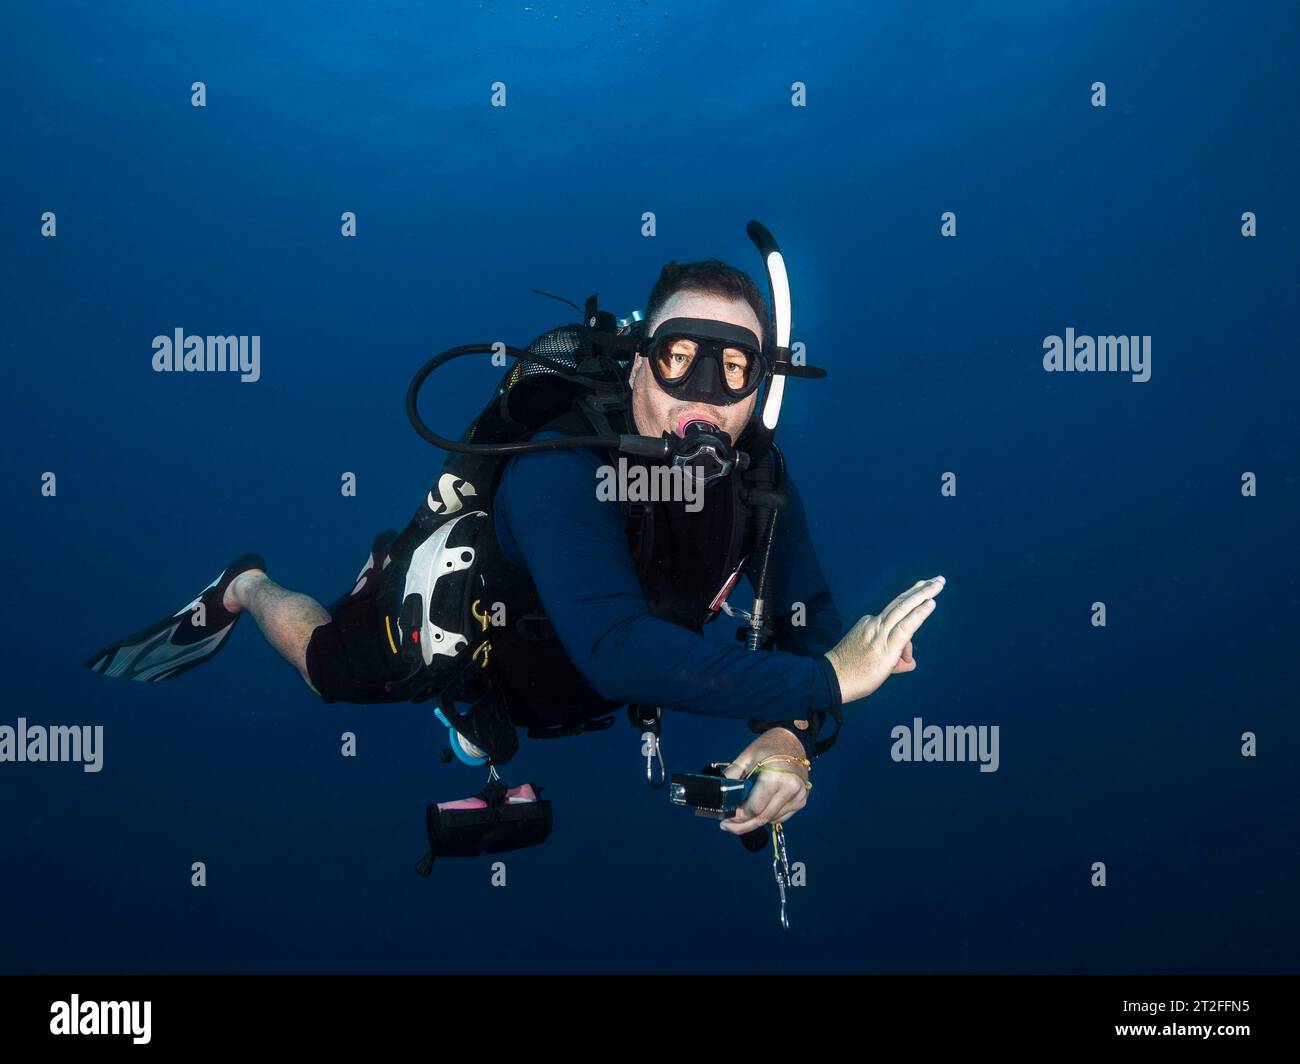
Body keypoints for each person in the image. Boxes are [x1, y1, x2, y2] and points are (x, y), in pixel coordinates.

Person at [87, 245, 945, 842]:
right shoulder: (559, 466)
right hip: (476, 633)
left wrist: (787, 739)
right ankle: (243, 585)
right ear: (638, 365)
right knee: (325, 670)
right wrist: (829, 680)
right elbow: (618, 650)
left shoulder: (762, 486)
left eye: (734, 370)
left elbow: (804, 623)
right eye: (680, 358)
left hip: (575, 689)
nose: (704, 392)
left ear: (762, 390)